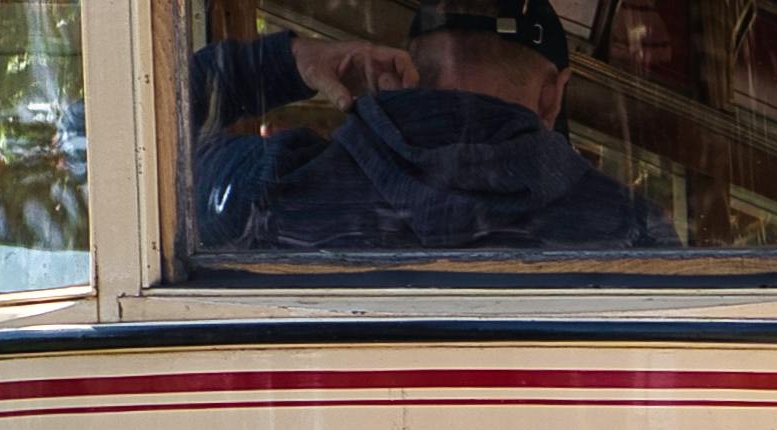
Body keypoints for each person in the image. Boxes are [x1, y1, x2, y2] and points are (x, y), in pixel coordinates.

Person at [187, 0, 654, 256]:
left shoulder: (268, 186)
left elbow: (135, 150)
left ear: (410, 68)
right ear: (554, 94)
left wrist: (287, 61)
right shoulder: (633, 230)